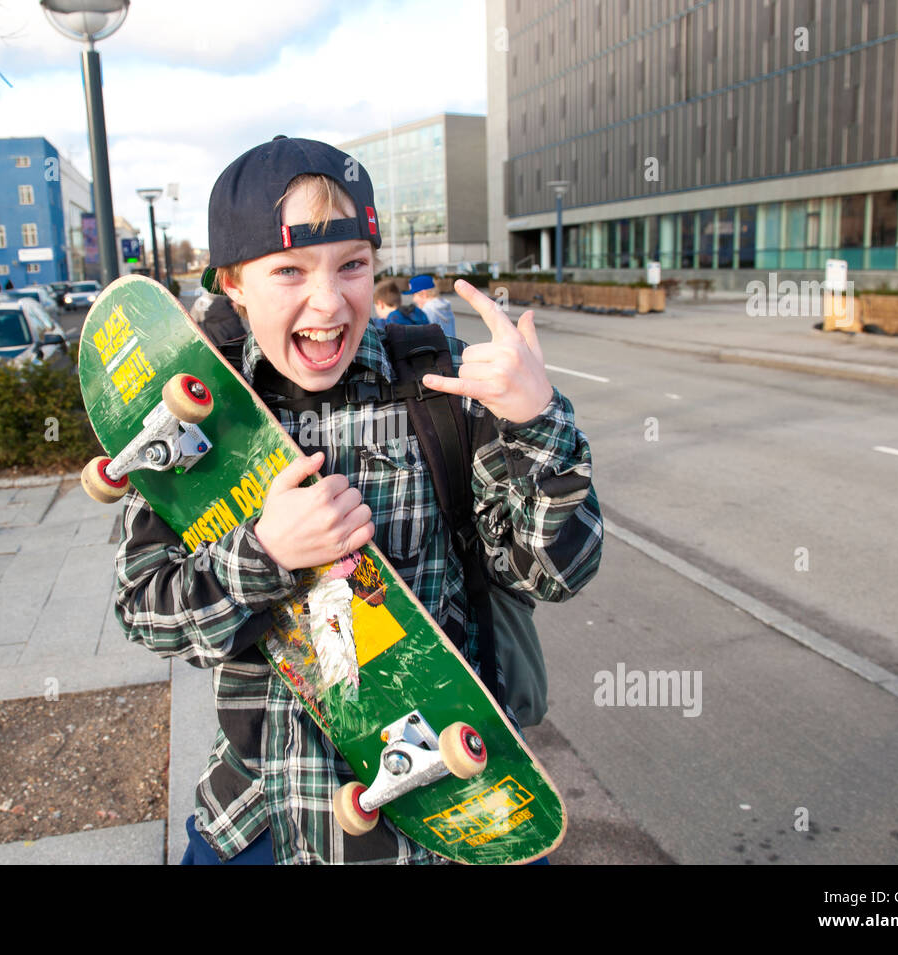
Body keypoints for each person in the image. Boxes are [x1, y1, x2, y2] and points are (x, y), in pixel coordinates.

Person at [112, 135, 602, 865]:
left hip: (435, 824)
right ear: (234, 284)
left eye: (353, 265)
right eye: (289, 270)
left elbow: (553, 572)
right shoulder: (196, 413)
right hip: (262, 819)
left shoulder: (439, 392)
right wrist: (265, 555)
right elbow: (144, 608)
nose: (328, 299)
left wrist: (539, 425)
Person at [407, 273, 456, 339]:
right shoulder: (445, 306)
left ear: (424, 294)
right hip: (450, 347)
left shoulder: (426, 311)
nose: (414, 300)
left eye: (414, 295)